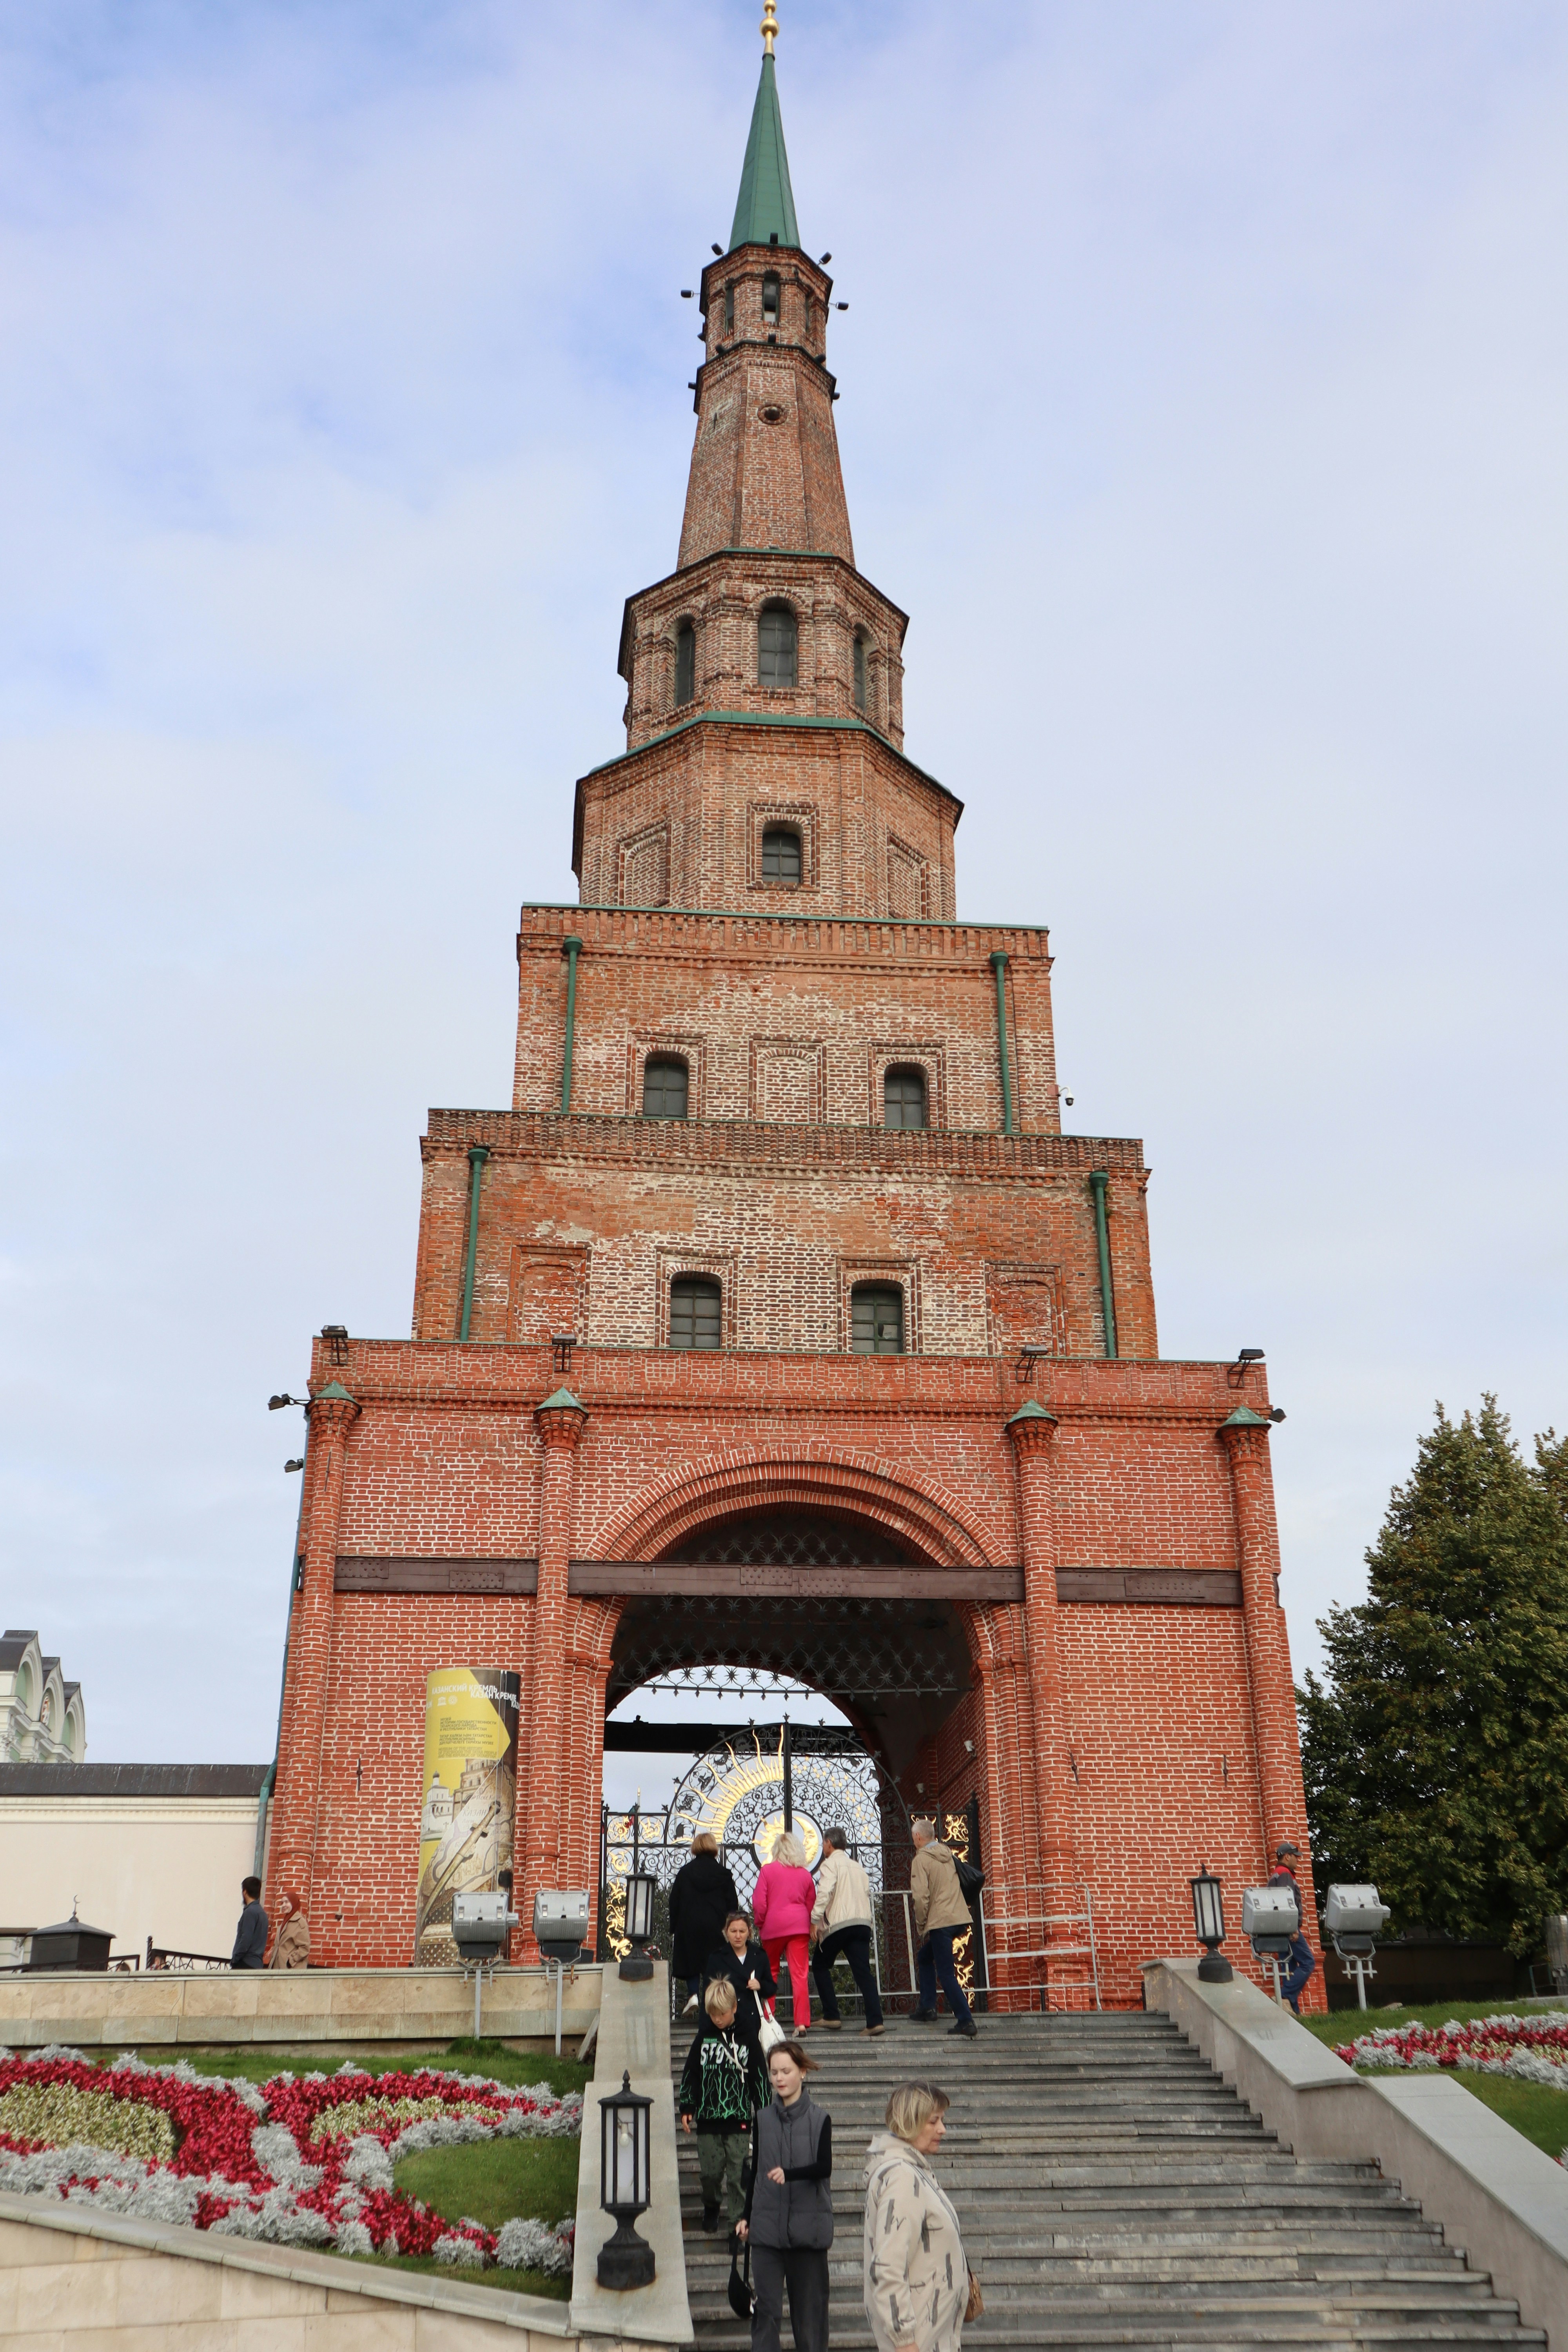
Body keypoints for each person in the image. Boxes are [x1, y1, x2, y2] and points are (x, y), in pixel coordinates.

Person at [736, 2040, 832, 2352]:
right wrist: (746, 2216)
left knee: (810, 2321)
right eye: (774, 2072)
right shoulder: (762, 2120)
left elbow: (824, 2167)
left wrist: (789, 2174)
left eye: (787, 2071)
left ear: (802, 2072)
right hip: (766, 2233)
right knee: (766, 2314)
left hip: (808, 2235)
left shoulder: (820, 2120)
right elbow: (755, 2172)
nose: (779, 2078)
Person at [863, 2081, 970, 2352]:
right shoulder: (902, 2176)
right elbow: (888, 2267)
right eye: (933, 2121)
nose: (942, 2130)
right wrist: (905, 2341)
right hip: (920, 2341)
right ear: (911, 2121)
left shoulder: (912, 2171)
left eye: (942, 2120)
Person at [679, 1976, 769, 2234]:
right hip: (708, 2119)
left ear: (734, 2009)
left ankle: (737, 2226)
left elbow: (759, 2078)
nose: (718, 2019)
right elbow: (691, 2073)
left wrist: (764, 2115)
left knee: (738, 2177)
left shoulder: (748, 2038)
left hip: (739, 2119)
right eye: (713, 2014)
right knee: (710, 2173)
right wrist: (687, 2106)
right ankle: (711, 2205)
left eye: (722, 2014)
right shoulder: (704, 2037)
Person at [811, 1826, 884, 2035]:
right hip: (862, 1924)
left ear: (828, 1844)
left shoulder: (830, 1865)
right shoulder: (857, 1867)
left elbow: (825, 1892)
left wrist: (815, 1920)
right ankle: (875, 2022)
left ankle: (832, 2015)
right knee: (863, 1973)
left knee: (820, 1965)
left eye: (823, 1843)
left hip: (839, 1926)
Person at [908, 1820, 976, 2039]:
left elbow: (921, 1898)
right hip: (958, 1919)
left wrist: (921, 1924)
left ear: (918, 1837)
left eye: (913, 1837)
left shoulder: (921, 1860)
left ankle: (966, 2020)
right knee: (925, 1956)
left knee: (946, 1973)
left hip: (941, 1923)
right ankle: (927, 2007)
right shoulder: (948, 1855)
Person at [670, 1830, 742, 2013]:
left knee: (692, 1961)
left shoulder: (685, 1873)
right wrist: (731, 1928)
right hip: (716, 1927)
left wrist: (675, 1927)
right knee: (713, 1965)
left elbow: (674, 1901)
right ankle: (712, 2004)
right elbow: (733, 1905)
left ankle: (693, 1994)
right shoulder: (724, 1875)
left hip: (689, 1925)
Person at [753, 1831, 817, 2033]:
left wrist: (760, 1923)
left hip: (773, 1928)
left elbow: (759, 1903)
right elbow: (811, 1904)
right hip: (799, 1928)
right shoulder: (805, 1875)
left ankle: (769, 2019)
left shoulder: (768, 1871)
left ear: (776, 1850)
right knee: (800, 1975)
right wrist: (808, 1926)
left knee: (770, 1972)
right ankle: (801, 2023)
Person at [1269, 1840, 1318, 2015]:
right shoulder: (1285, 1874)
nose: (1298, 1860)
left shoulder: (1276, 1874)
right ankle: (1284, 1995)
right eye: (1295, 1857)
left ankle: (1293, 2012)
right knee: (1308, 1962)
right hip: (1288, 1930)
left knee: (1288, 1969)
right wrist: (1293, 1928)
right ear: (1287, 1856)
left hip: (1280, 1930)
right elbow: (1286, 1903)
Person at [707, 1908, 777, 2026]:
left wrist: (760, 1986)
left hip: (753, 2023)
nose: (738, 1936)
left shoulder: (760, 1956)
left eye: (742, 1931)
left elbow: (772, 1988)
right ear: (726, 1931)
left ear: (749, 1932)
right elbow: (708, 1994)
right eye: (734, 1931)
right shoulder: (716, 1958)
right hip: (726, 2023)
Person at [230, 1876, 269, 1970]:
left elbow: (246, 1939)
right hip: (257, 1965)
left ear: (245, 1892)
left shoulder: (250, 1912)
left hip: (245, 1963)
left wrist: (236, 1958)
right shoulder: (262, 1913)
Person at [269, 1891, 310, 1970]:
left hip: (291, 1971)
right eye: (282, 1903)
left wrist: (291, 1961)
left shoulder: (299, 1923)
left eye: (287, 1902)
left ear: (294, 1903)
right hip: (277, 1970)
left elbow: (305, 1948)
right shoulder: (284, 1923)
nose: (284, 1905)